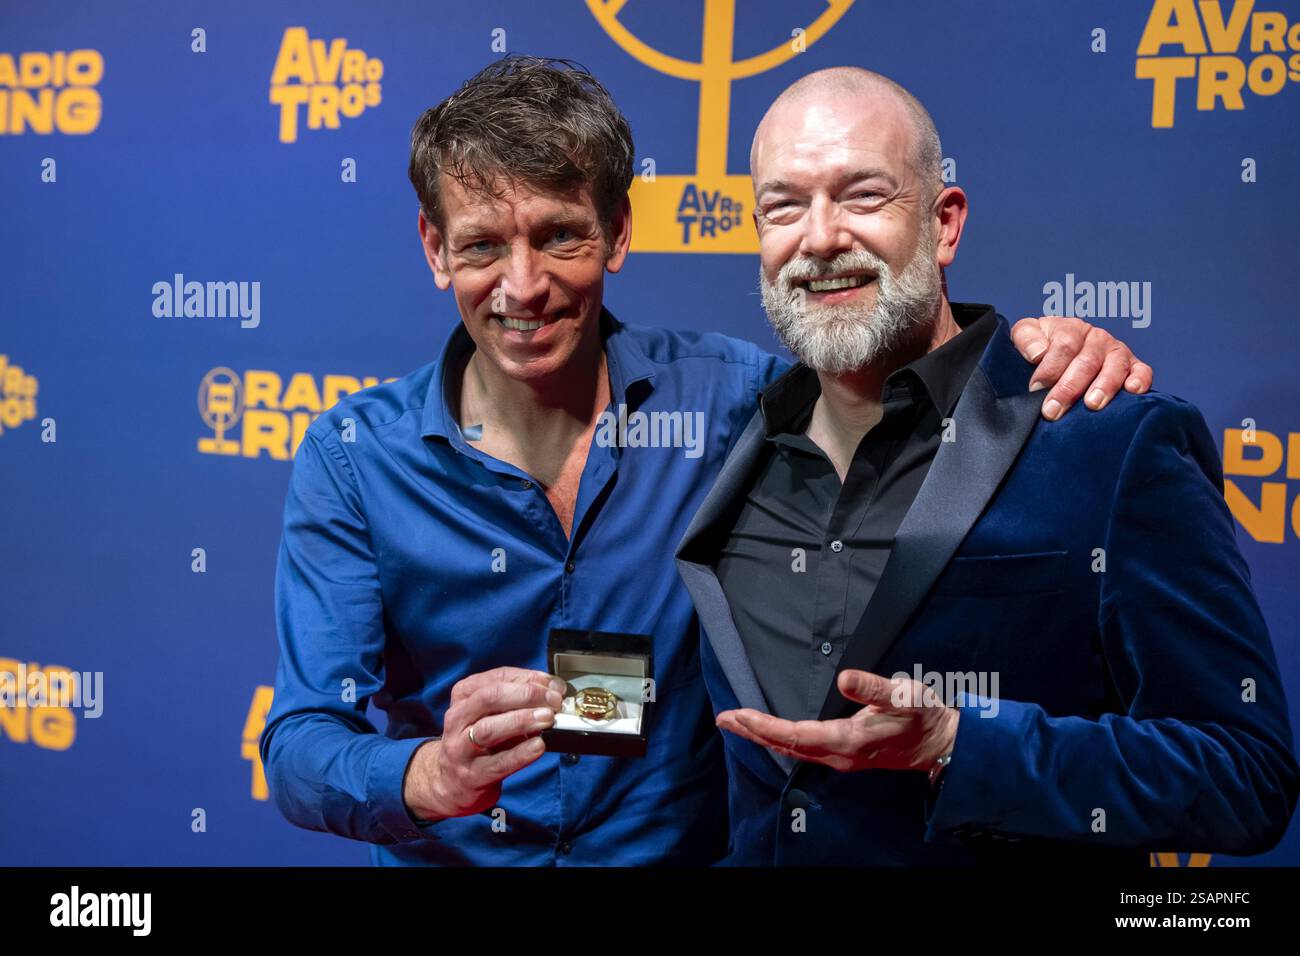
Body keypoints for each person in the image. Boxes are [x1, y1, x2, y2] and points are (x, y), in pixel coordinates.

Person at [260, 56, 1153, 866]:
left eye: (559, 236)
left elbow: (894, 358)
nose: (522, 286)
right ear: (433, 247)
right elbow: (300, 738)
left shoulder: (737, 402)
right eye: (483, 245)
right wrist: (425, 776)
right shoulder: (354, 460)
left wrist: (1045, 347)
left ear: (617, 232)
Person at [675, 66, 1298, 864]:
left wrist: (958, 746)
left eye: (863, 196)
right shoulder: (728, 447)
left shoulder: (1106, 442)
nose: (820, 236)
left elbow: (1246, 777)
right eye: (784, 206)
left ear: (944, 224)